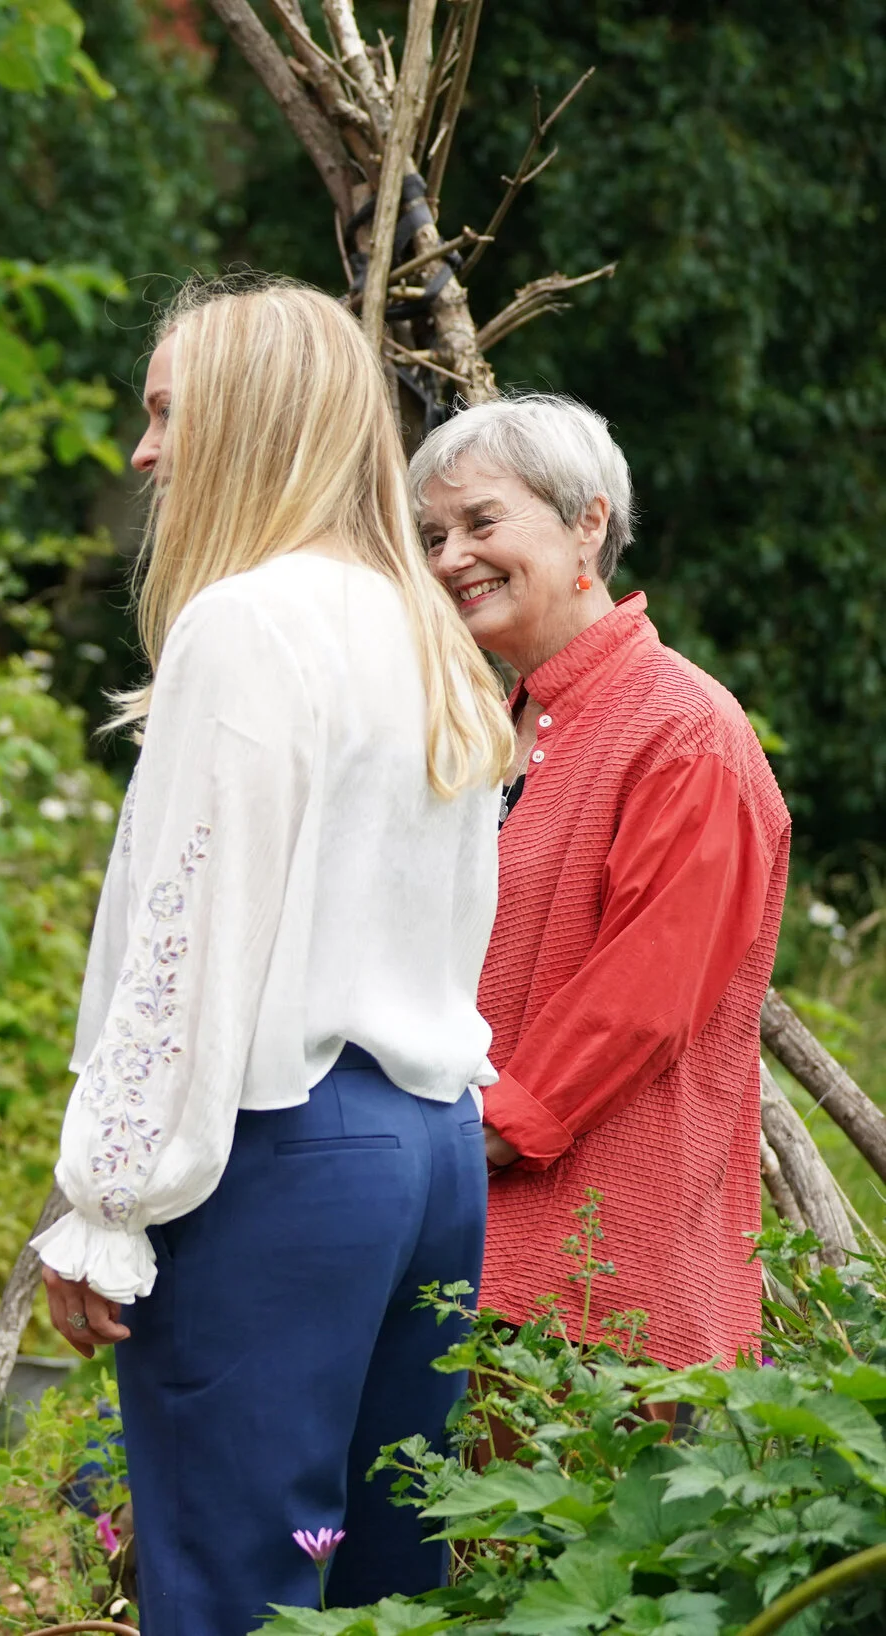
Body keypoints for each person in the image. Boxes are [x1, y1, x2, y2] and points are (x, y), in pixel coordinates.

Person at [31, 281, 516, 1635]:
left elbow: (194, 939)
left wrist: (108, 1199)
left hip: (282, 1158)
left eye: (165, 413)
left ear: (248, 421)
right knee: (377, 1586)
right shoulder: (424, 629)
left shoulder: (247, 623)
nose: (143, 452)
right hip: (427, 1152)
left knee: (234, 1584)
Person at [413, 394, 790, 1367]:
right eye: (433, 536)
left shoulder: (682, 728)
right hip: (462, 1239)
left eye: (481, 522)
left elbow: (644, 993)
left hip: (600, 1277)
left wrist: (482, 1133)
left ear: (587, 521)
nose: (450, 557)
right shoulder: (486, 728)